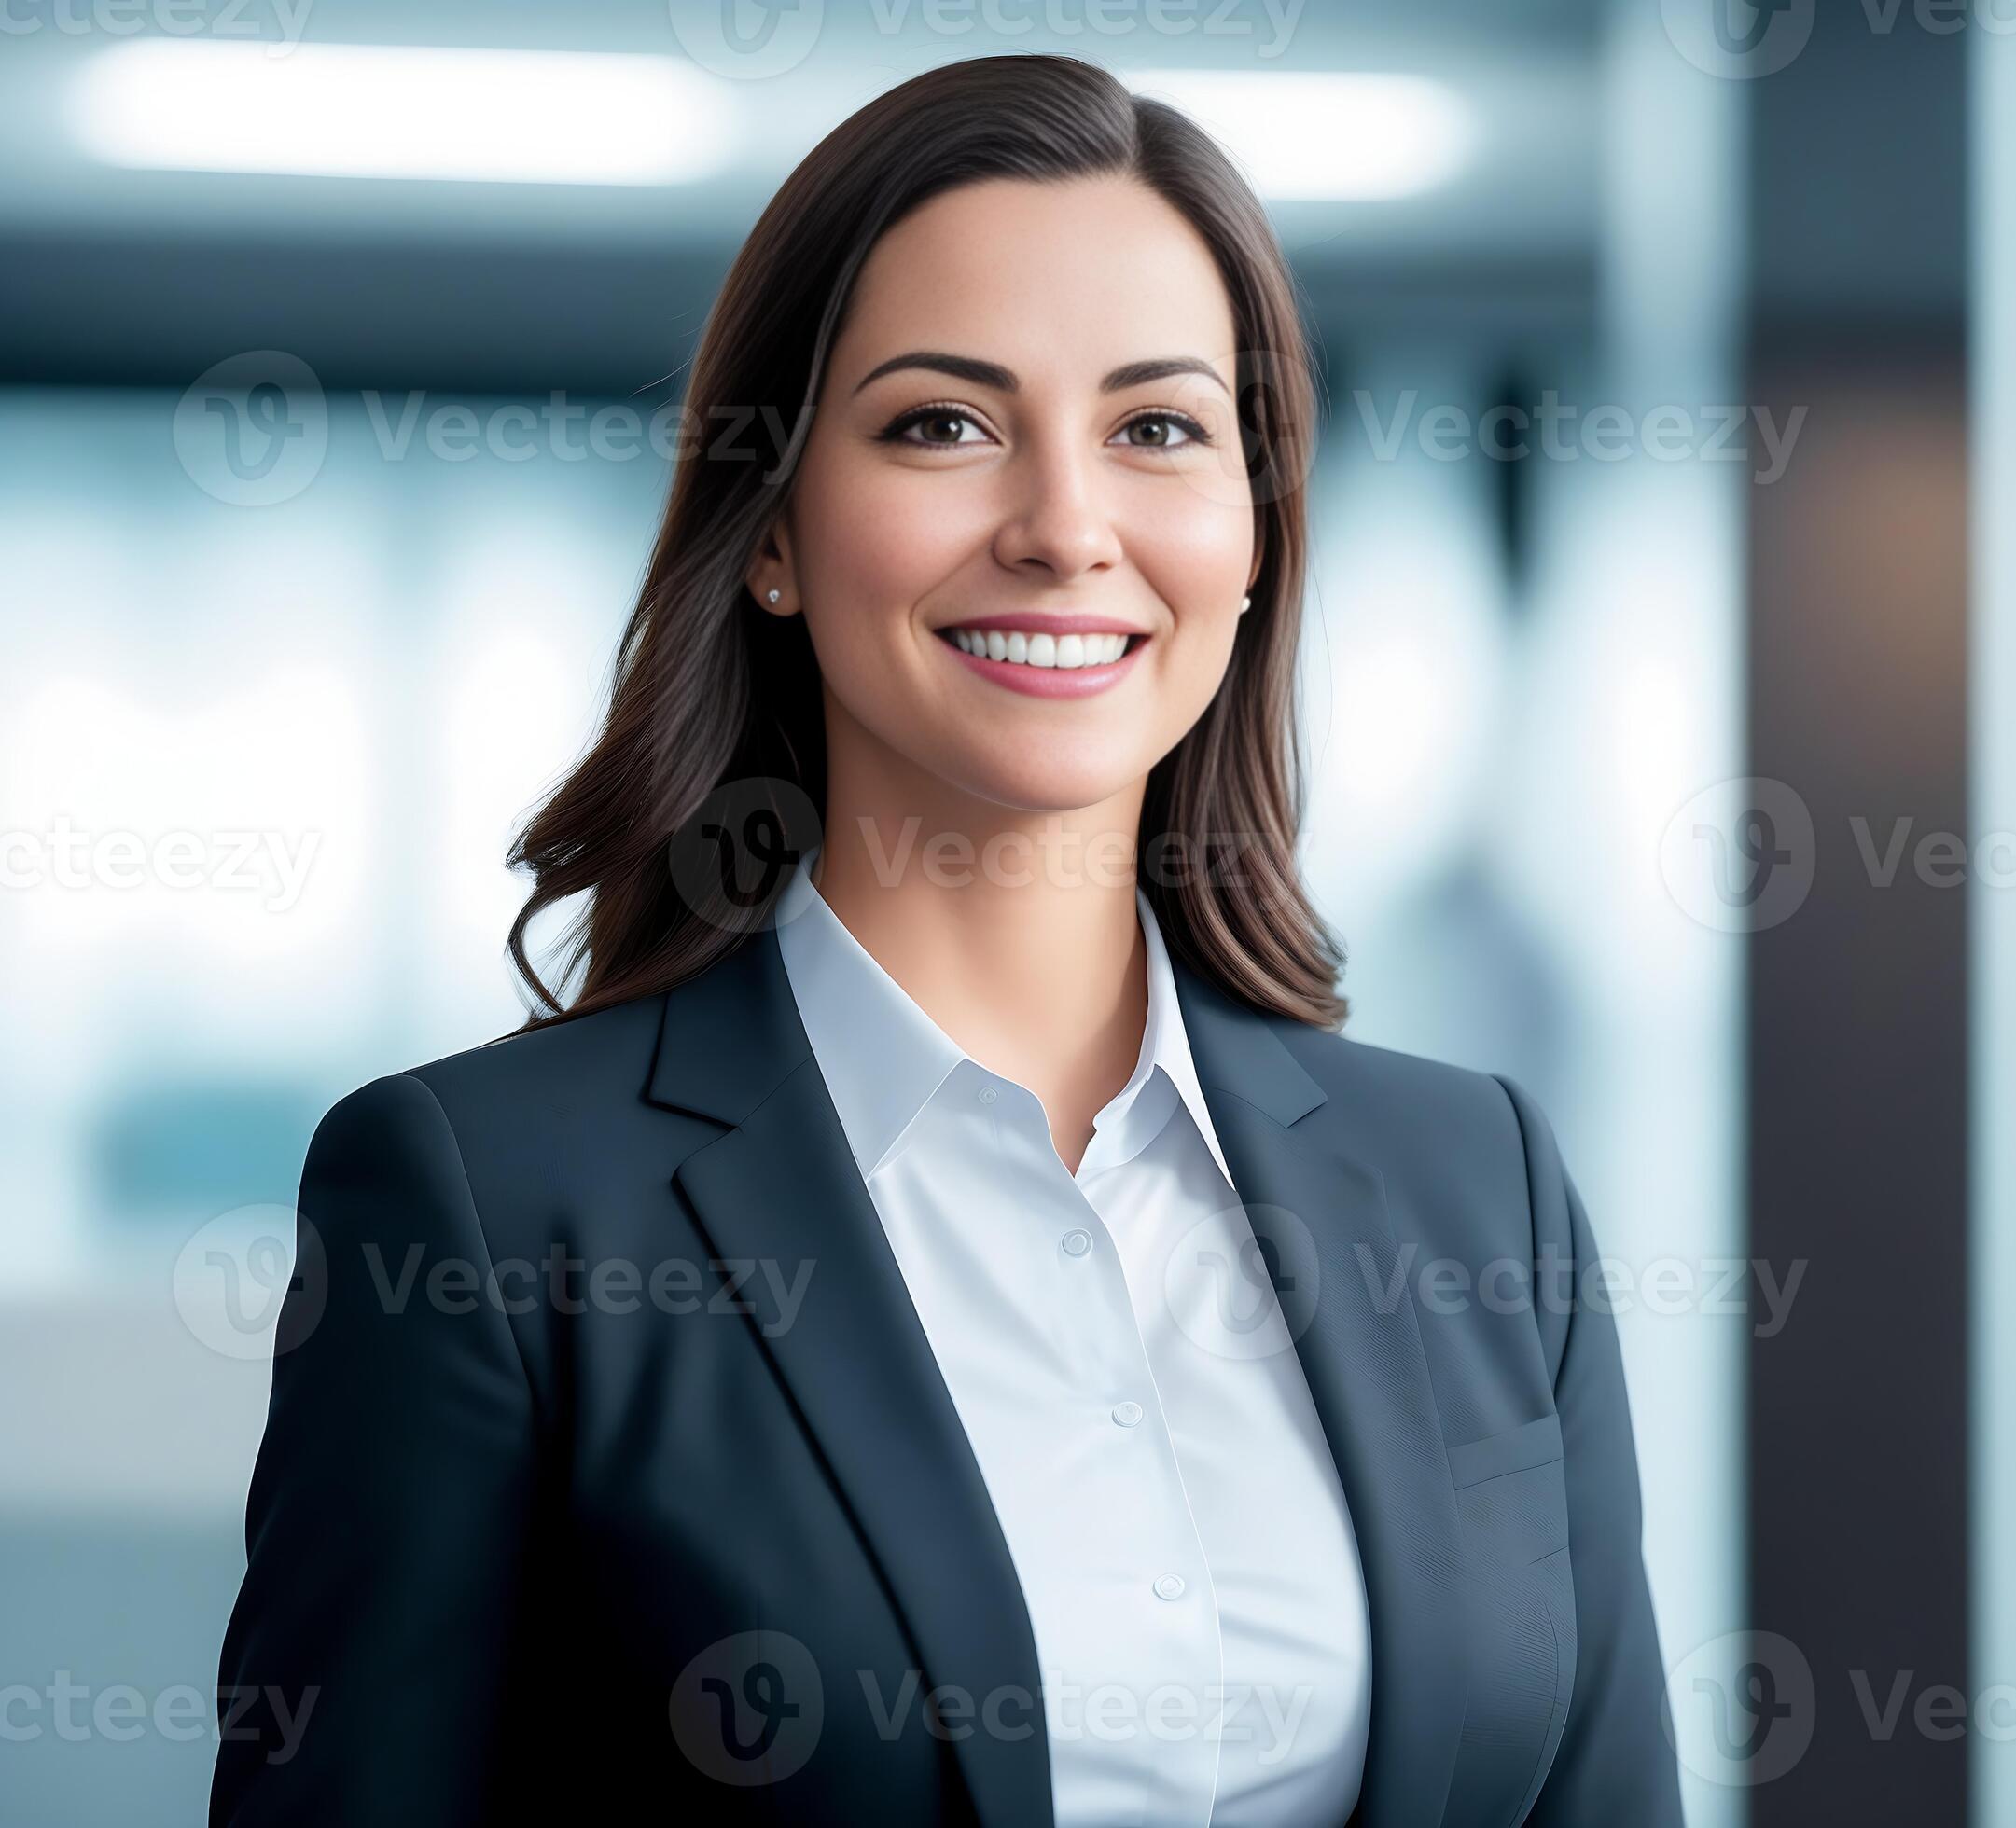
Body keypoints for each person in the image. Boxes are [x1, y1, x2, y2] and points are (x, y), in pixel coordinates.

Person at [211, 51, 1683, 1828]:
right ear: (771, 533)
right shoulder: (489, 1209)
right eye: (942, 423)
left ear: (1249, 542)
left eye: (1157, 429)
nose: (1065, 527)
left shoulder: (1478, 1190)